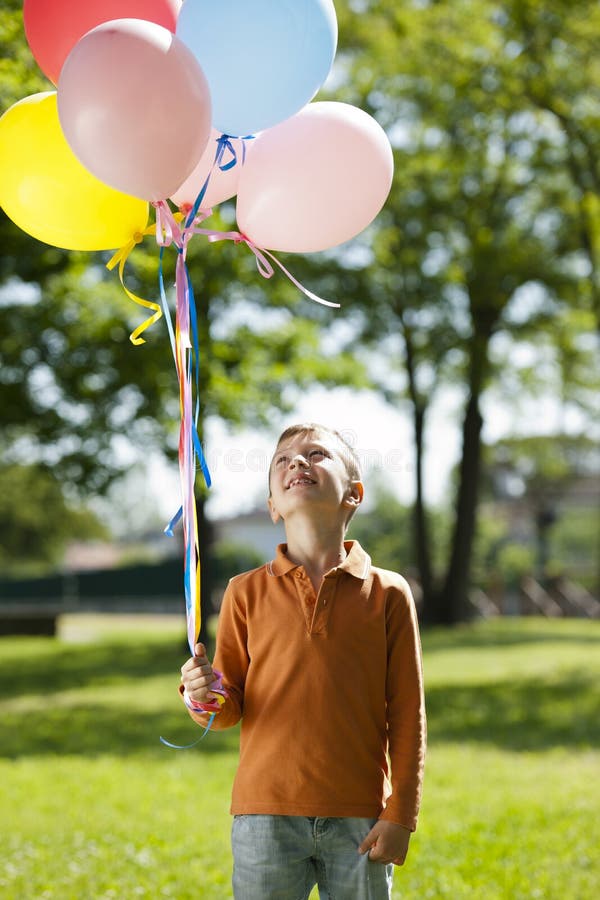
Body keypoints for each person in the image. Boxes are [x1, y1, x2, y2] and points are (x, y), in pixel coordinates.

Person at [179, 423, 426, 899]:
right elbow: (228, 707)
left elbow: (408, 712)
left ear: (353, 494)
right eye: (283, 460)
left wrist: (401, 814)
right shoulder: (243, 592)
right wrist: (201, 693)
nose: (297, 462)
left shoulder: (390, 593)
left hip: (361, 817)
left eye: (316, 454)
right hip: (264, 815)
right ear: (273, 505)